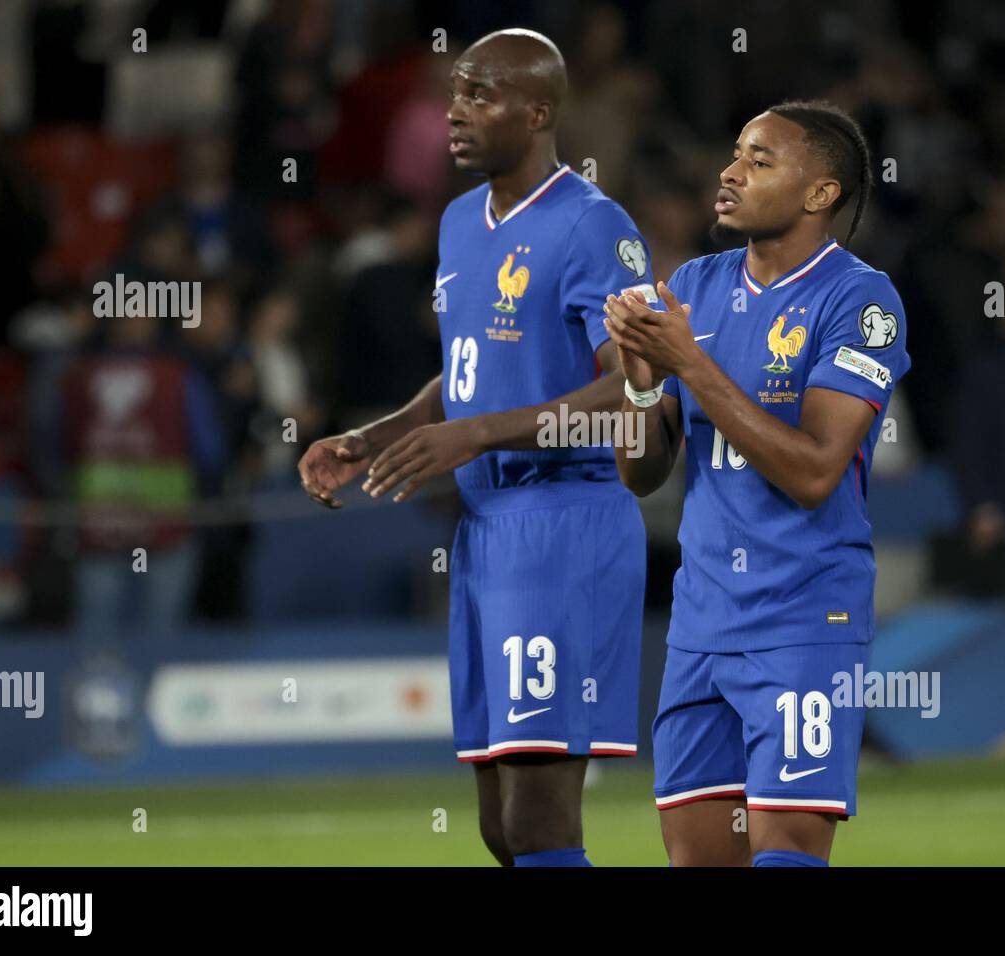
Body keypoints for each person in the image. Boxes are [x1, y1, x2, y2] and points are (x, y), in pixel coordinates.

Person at [297, 29, 654, 867]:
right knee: (500, 829)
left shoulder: (593, 225)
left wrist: (475, 435)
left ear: (537, 111)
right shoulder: (460, 222)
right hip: (487, 528)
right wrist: (377, 435)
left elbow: (635, 387)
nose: (453, 113)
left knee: (539, 821)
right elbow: (470, 374)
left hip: (565, 521)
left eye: (479, 95)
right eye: (453, 93)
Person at [605, 101, 909, 866]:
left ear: (820, 195)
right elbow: (642, 475)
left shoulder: (859, 300)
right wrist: (641, 385)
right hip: (701, 625)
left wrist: (691, 365)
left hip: (804, 619)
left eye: (760, 159)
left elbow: (813, 472)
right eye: (735, 153)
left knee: (783, 857)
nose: (730, 171)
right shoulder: (694, 288)